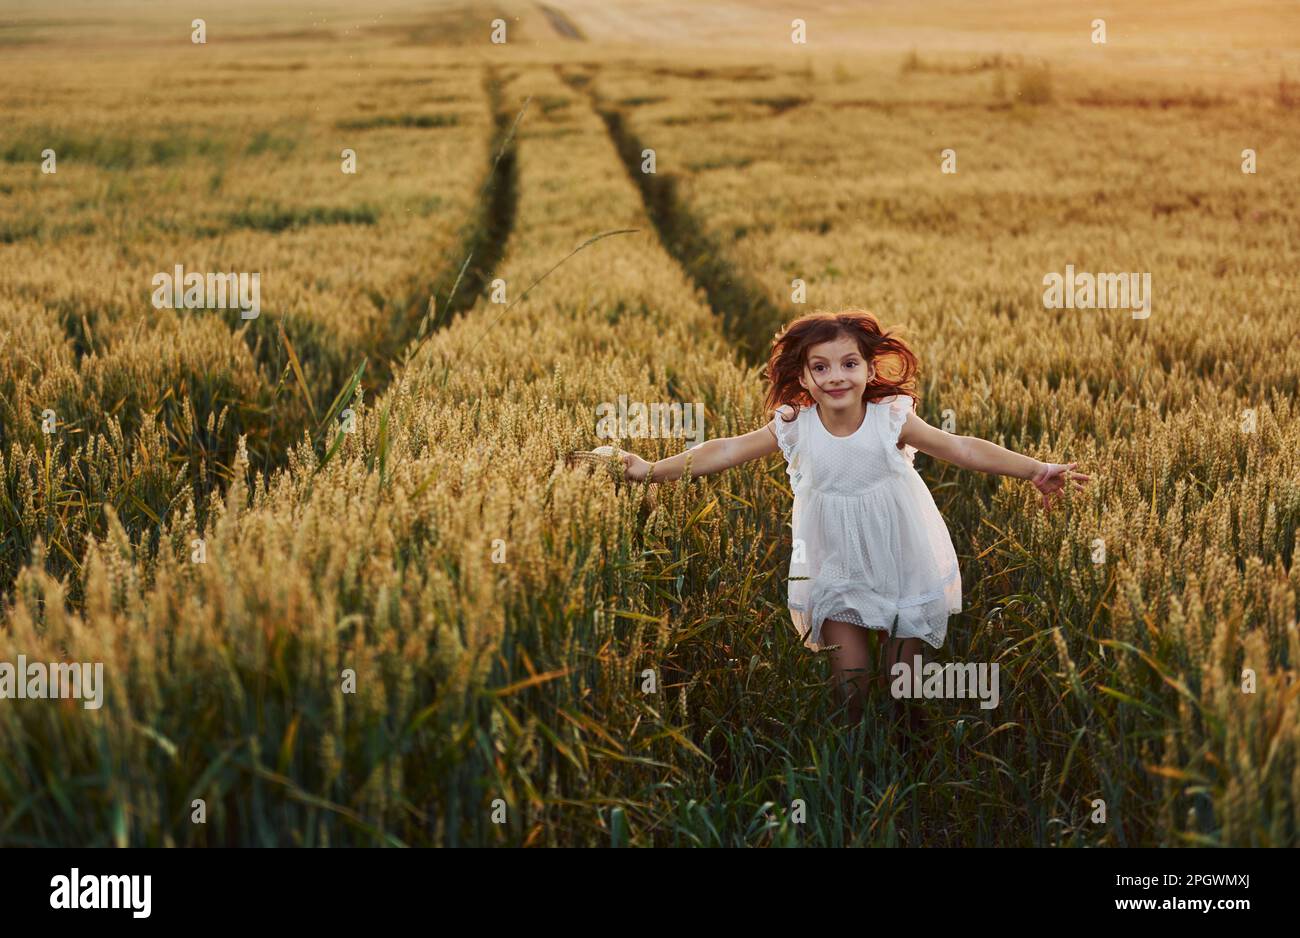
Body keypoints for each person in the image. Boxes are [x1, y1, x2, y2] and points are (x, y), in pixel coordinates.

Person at [614, 308, 1089, 727]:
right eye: (819, 367)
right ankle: (855, 755)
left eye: (848, 364)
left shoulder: (891, 419)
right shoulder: (794, 427)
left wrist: (1037, 469)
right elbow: (726, 449)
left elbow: (961, 448)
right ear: (802, 379)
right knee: (853, 680)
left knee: (905, 681)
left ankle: (909, 746)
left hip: (901, 556)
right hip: (834, 563)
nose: (835, 376)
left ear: (867, 368)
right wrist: (650, 471)